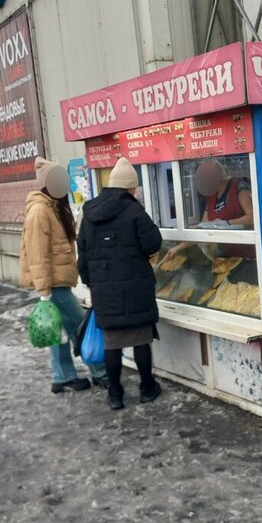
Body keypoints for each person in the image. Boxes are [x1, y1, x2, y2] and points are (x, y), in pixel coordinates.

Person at [78, 157, 163, 410]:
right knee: (140, 340)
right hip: (135, 287)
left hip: (105, 291)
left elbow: (82, 255)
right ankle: (147, 388)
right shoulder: (134, 210)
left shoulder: (89, 214)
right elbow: (153, 244)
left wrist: (91, 284)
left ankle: (115, 394)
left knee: (112, 343)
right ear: (131, 188)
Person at [20, 157, 106, 395]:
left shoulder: (52, 207)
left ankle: (63, 376)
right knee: (79, 325)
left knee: (58, 331)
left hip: (56, 282)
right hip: (53, 285)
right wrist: (44, 292)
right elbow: (37, 254)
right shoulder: (40, 211)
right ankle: (100, 371)